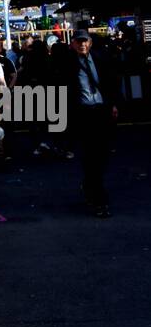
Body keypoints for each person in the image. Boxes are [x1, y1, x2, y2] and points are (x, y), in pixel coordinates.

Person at [65, 29, 118, 217]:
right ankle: (99, 199)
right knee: (91, 155)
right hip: (83, 113)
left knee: (102, 155)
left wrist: (112, 104)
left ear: (90, 43)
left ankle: (90, 185)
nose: (82, 45)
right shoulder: (68, 64)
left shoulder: (100, 59)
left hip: (101, 111)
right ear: (72, 44)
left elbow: (111, 81)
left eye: (85, 41)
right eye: (78, 42)